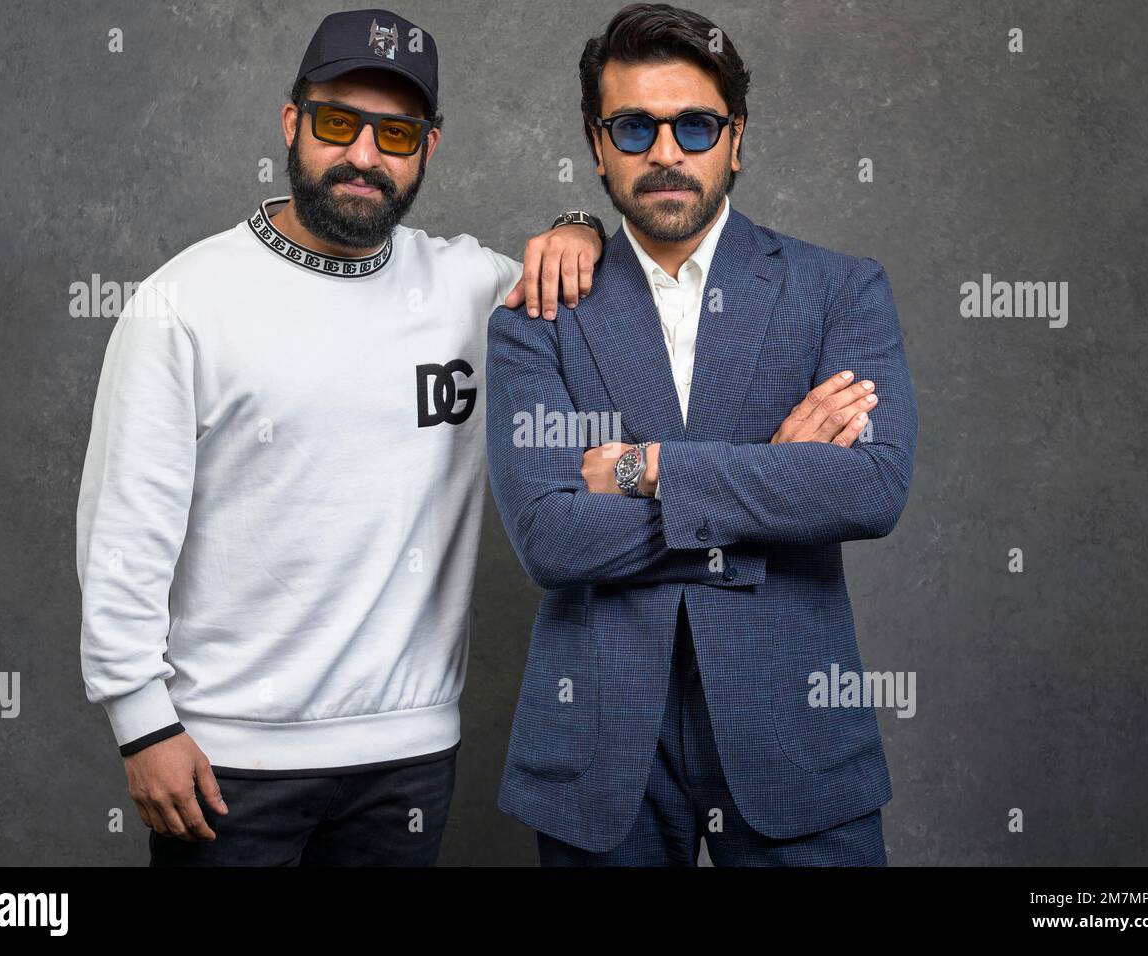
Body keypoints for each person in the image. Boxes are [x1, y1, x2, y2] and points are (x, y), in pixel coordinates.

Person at [76, 7, 606, 866]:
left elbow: (620, 309)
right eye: (337, 123)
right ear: (292, 125)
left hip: (408, 757)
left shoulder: (475, 291)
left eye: (396, 134)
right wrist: (142, 725)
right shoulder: (186, 303)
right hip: (223, 760)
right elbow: (123, 532)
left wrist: (580, 225)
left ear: (428, 149)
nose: (364, 156)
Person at [485, 2, 918, 865]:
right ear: (598, 143)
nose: (668, 152)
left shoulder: (840, 290)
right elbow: (552, 537)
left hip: (794, 731)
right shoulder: (537, 312)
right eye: (636, 128)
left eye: (696, 125)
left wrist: (646, 470)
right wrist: (773, 484)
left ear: (736, 138)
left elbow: (871, 489)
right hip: (599, 749)